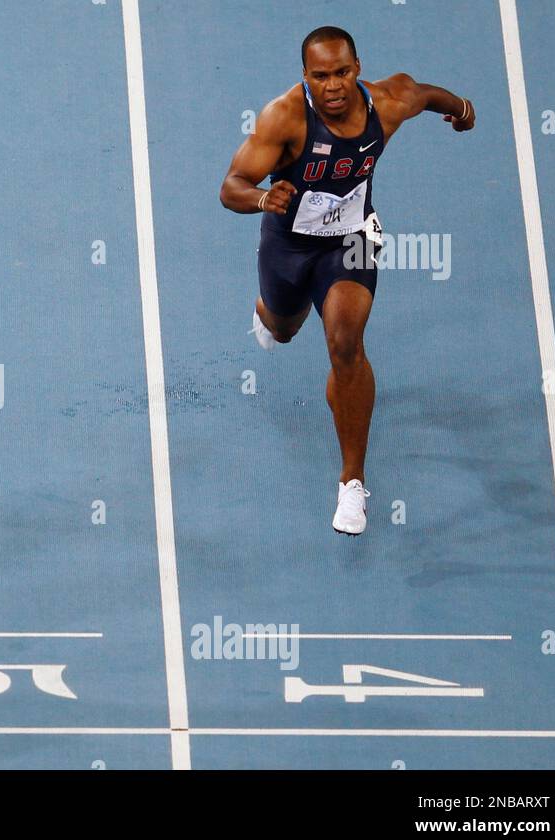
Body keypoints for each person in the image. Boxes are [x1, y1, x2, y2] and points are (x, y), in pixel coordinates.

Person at [219, 26, 474, 534]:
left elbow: (426, 94)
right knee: (284, 328)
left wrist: (462, 110)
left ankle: (352, 483)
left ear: (357, 68)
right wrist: (263, 199)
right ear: (305, 77)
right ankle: (269, 314)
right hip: (288, 245)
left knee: (345, 342)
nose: (332, 85)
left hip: (352, 240)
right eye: (320, 76)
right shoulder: (284, 117)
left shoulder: (388, 101)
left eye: (341, 72)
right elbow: (232, 186)